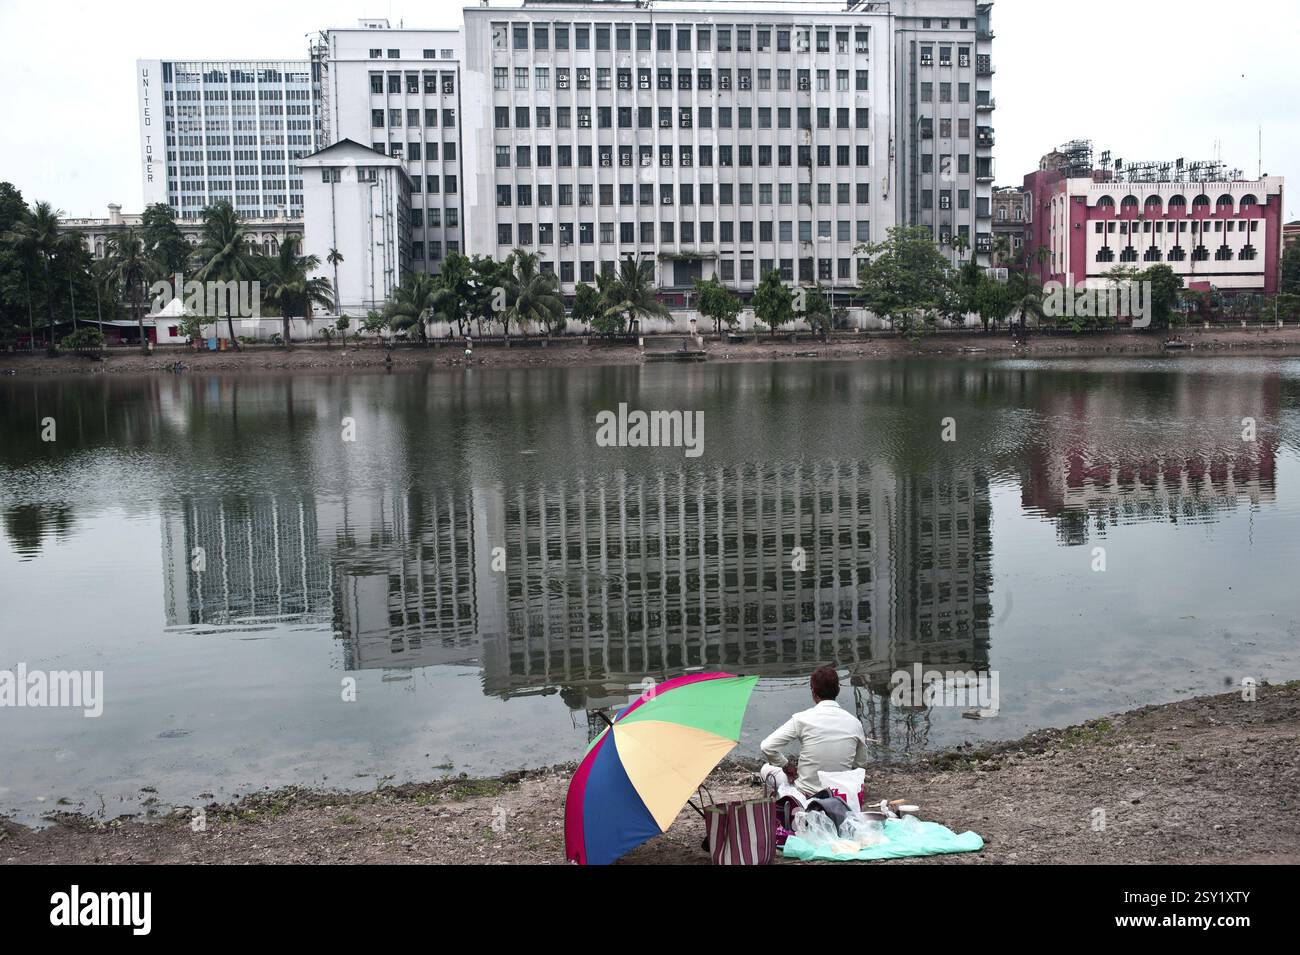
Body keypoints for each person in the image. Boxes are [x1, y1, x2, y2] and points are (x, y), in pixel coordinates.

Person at [760, 666, 870, 799]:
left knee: (765, 770)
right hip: (839, 794)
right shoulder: (855, 723)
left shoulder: (802, 719)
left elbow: (767, 747)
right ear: (838, 689)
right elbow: (860, 764)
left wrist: (786, 765)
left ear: (813, 692)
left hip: (805, 793)